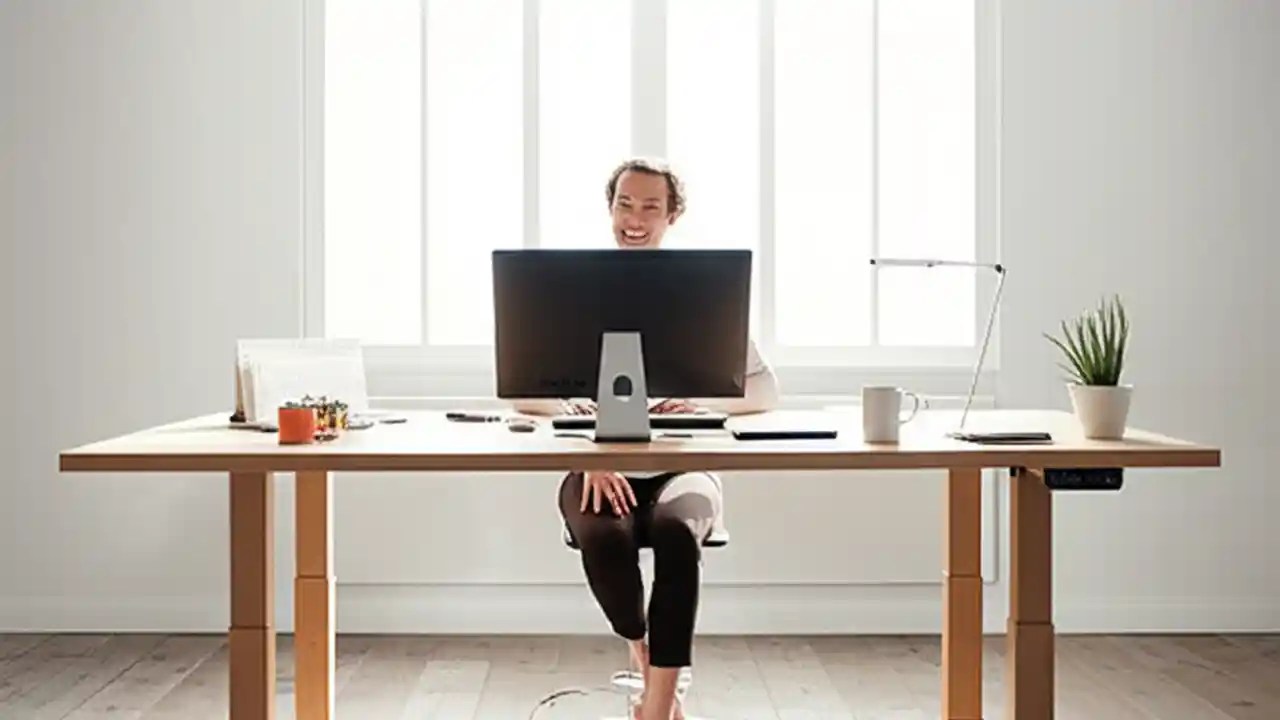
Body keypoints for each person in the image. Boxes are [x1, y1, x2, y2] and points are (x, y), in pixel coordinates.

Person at [514, 158, 780, 720]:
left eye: (650, 206)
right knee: (604, 539)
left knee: (677, 535)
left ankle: (656, 707)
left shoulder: (701, 293)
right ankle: (645, 658)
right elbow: (521, 391)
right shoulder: (575, 292)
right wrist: (589, 436)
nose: (635, 219)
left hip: (683, 465)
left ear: (672, 215)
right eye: (624, 205)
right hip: (598, 460)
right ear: (610, 209)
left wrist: (701, 403)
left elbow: (765, 391)